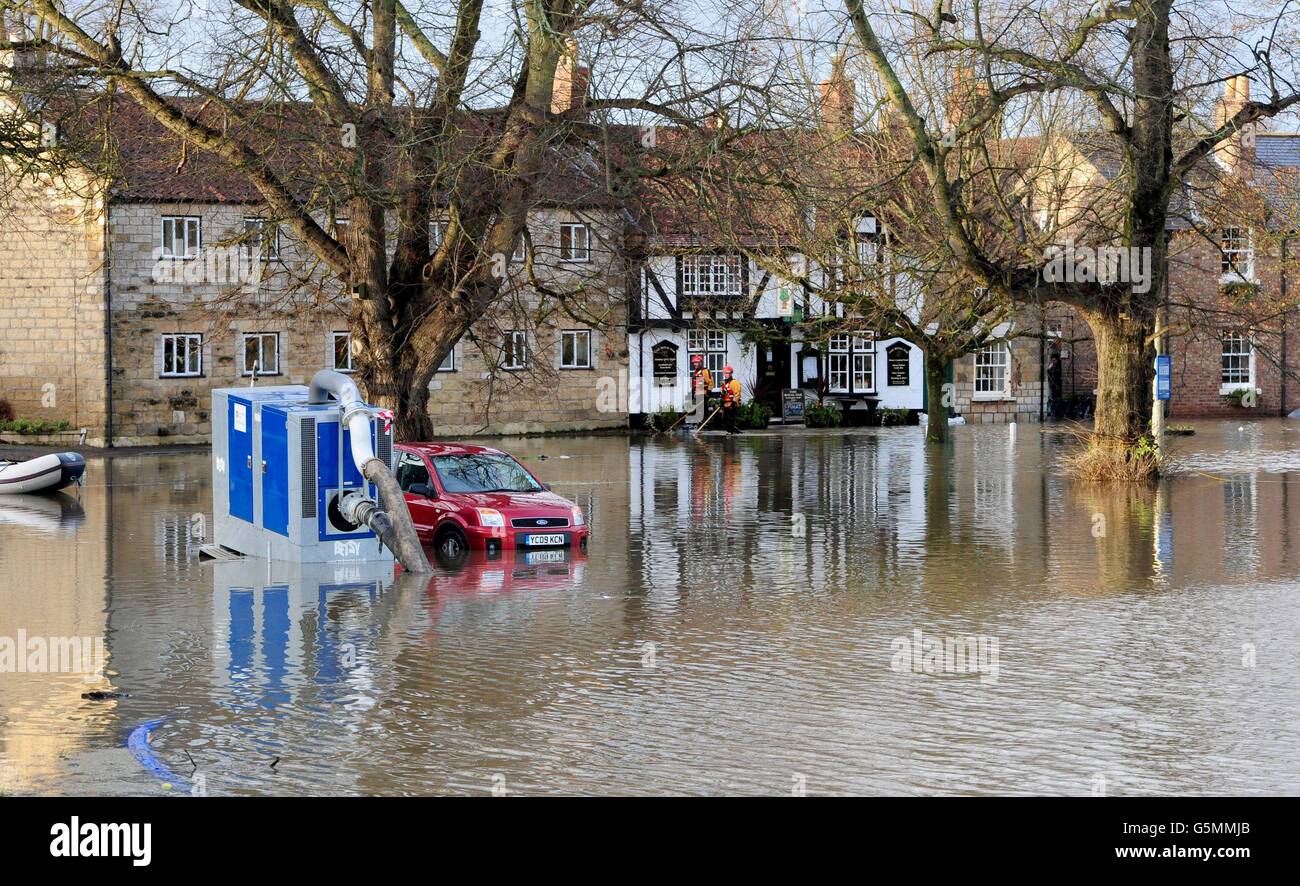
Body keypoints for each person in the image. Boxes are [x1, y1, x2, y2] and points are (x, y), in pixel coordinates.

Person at [689, 354, 713, 423]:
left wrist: (708, 393)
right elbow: (695, 384)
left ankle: (704, 423)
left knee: (703, 409)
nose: (695, 364)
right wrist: (693, 393)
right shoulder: (696, 372)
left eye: (696, 363)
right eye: (694, 363)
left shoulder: (705, 371)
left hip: (704, 393)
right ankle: (699, 422)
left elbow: (710, 383)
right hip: (698, 393)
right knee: (698, 410)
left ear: (700, 363)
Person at [721, 365, 743, 434]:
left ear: (731, 373)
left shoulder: (734, 382)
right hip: (725, 404)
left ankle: (732, 432)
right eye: (725, 373)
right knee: (725, 420)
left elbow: (737, 394)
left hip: (732, 404)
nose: (726, 375)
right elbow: (722, 394)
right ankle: (731, 431)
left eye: (727, 373)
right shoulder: (724, 383)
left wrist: (733, 402)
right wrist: (721, 402)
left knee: (731, 419)